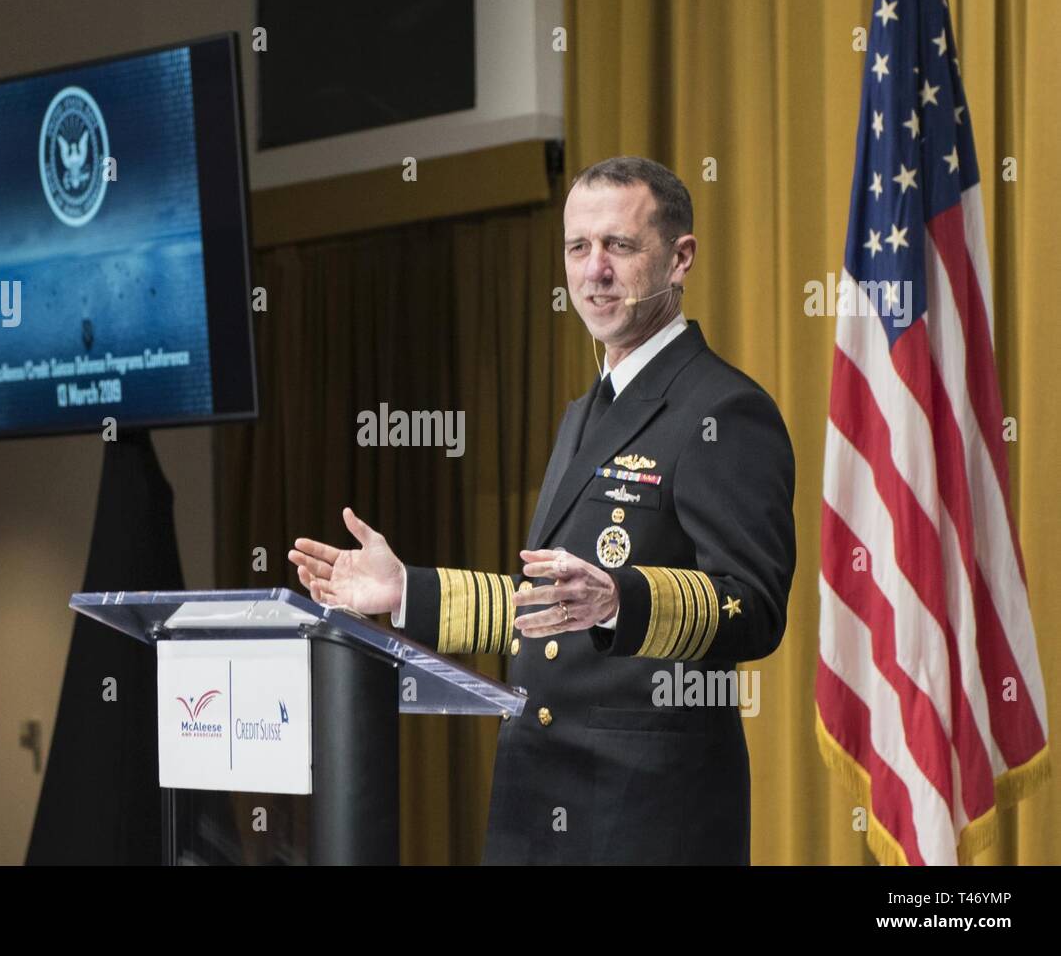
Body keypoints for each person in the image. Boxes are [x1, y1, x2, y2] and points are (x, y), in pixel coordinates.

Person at [288, 156, 796, 864]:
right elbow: (551, 610)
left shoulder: (724, 409)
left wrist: (621, 597)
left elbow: (755, 606)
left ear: (680, 259)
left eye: (619, 245)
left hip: (647, 817)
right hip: (542, 797)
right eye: (577, 247)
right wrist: (407, 591)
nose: (594, 270)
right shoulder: (583, 413)